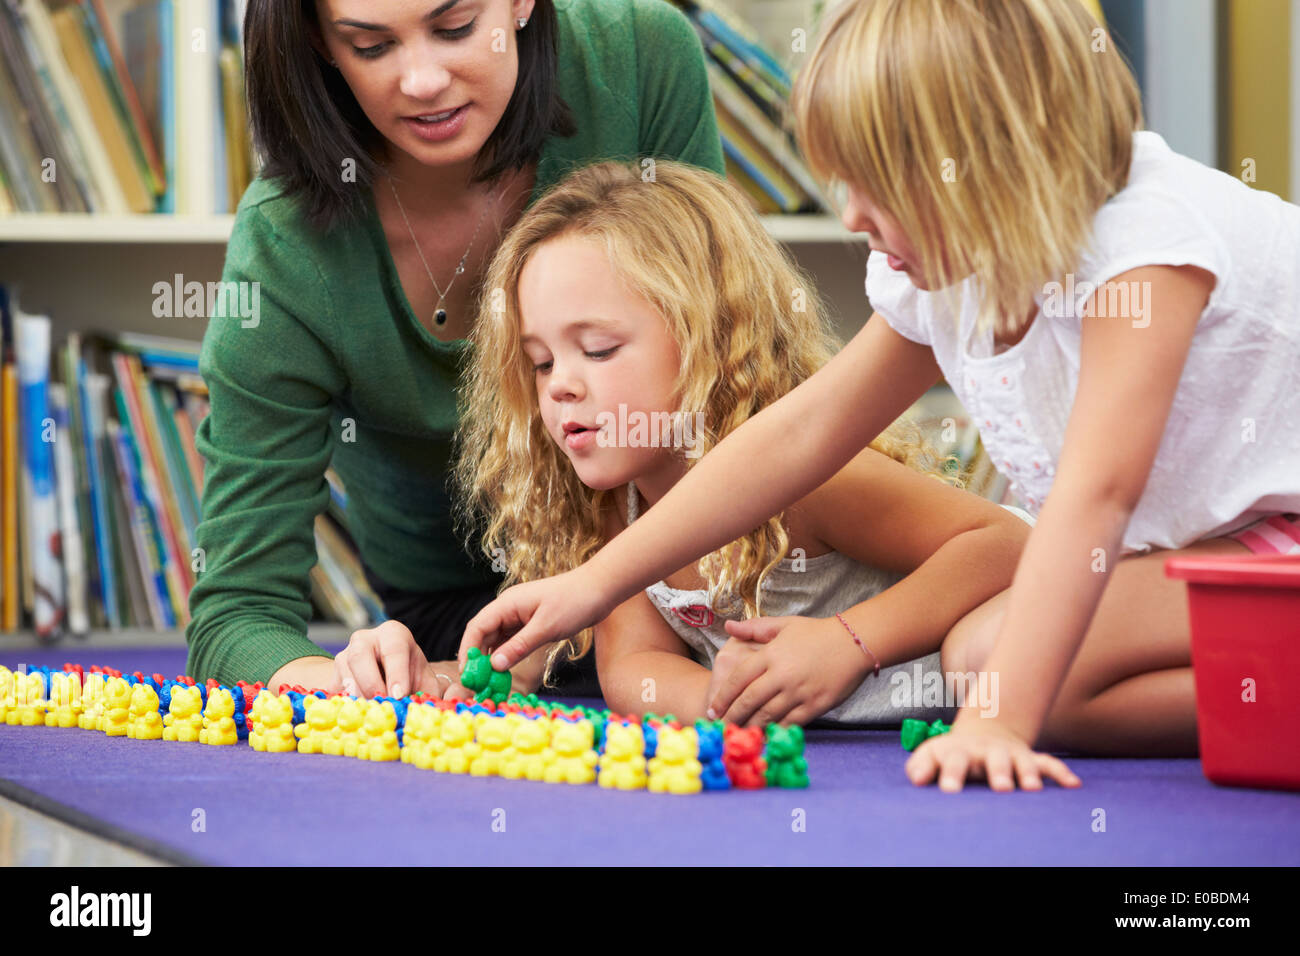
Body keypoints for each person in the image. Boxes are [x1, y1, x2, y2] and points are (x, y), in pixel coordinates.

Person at [459, 0, 1300, 790]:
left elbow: (1097, 494)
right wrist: (593, 584)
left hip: (1274, 543)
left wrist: (999, 727)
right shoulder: (949, 275)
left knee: (1005, 672)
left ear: (988, 161)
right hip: (1229, 552)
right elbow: (800, 434)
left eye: (878, 186)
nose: (854, 216)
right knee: (982, 657)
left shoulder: (1144, 250)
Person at [184, 0, 725, 702]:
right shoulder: (285, 250)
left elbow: (729, 369)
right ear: (319, 42)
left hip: (688, 580)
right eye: (371, 46)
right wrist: (347, 684)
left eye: (456, 27)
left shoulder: (639, 59)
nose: (422, 81)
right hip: (461, 626)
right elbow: (236, 611)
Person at [452, 159, 1034, 726]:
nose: (561, 387)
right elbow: (635, 664)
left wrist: (850, 641)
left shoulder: (811, 483)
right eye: (541, 362)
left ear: (712, 338)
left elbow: (1004, 544)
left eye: (599, 349)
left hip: (1029, 620)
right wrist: (729, 701)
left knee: (982, 661)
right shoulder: (619, 510)